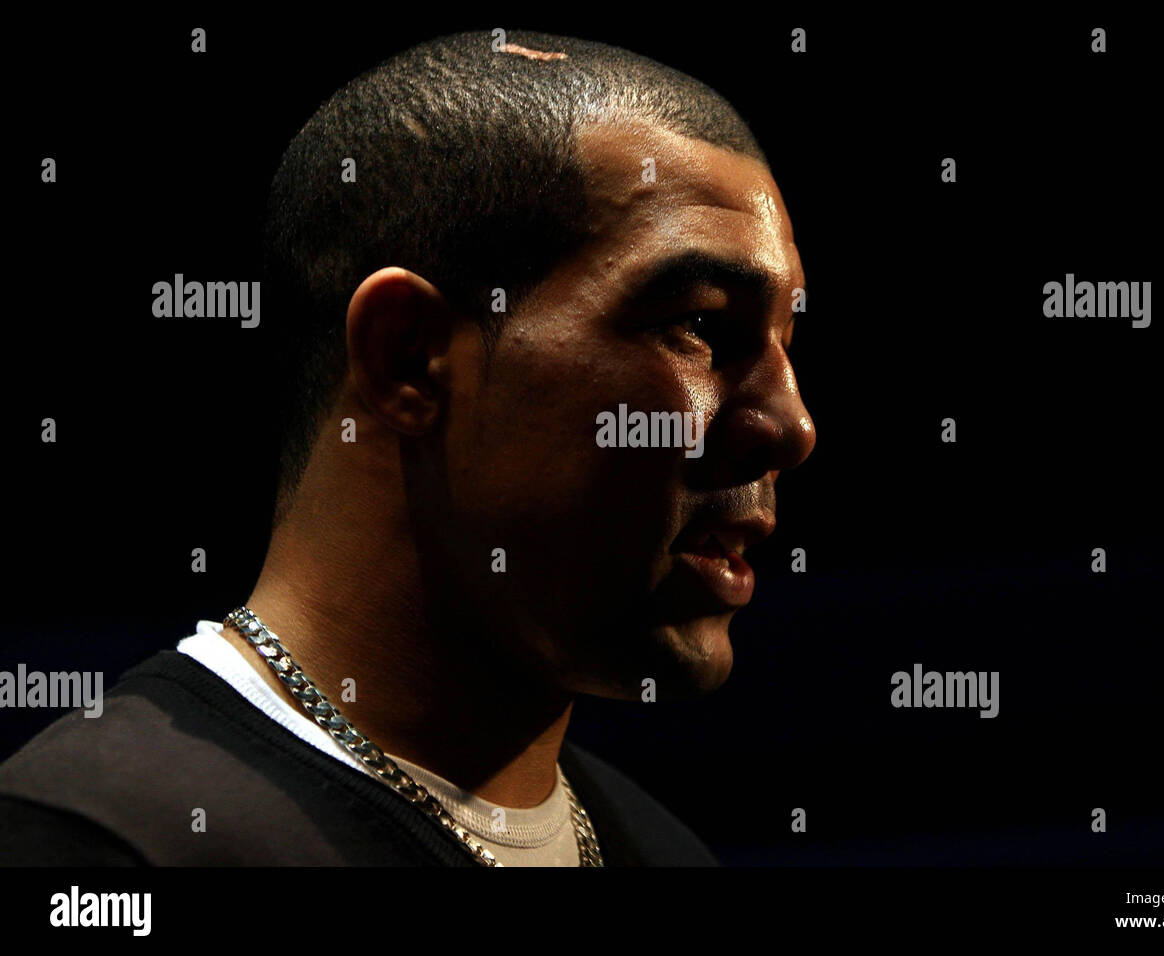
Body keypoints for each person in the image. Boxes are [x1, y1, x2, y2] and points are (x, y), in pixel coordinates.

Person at [0, 28, 815, 866]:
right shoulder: (91, 845)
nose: (790, 426)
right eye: (701, 326)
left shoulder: (662, 849)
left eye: (791, 340)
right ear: (409, 359)